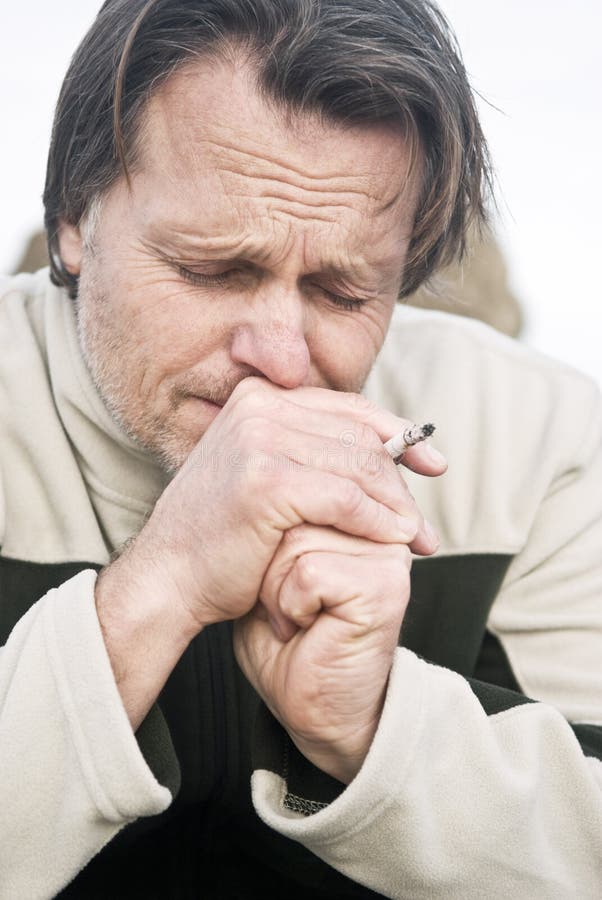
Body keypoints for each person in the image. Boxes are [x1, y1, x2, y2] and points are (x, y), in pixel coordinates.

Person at [0, 1, 600, 897]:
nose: (281, 360)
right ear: (75, 218)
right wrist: (152, 592)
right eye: (210, 270)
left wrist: (375, 731)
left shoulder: (543, 438)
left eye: (345, 291)